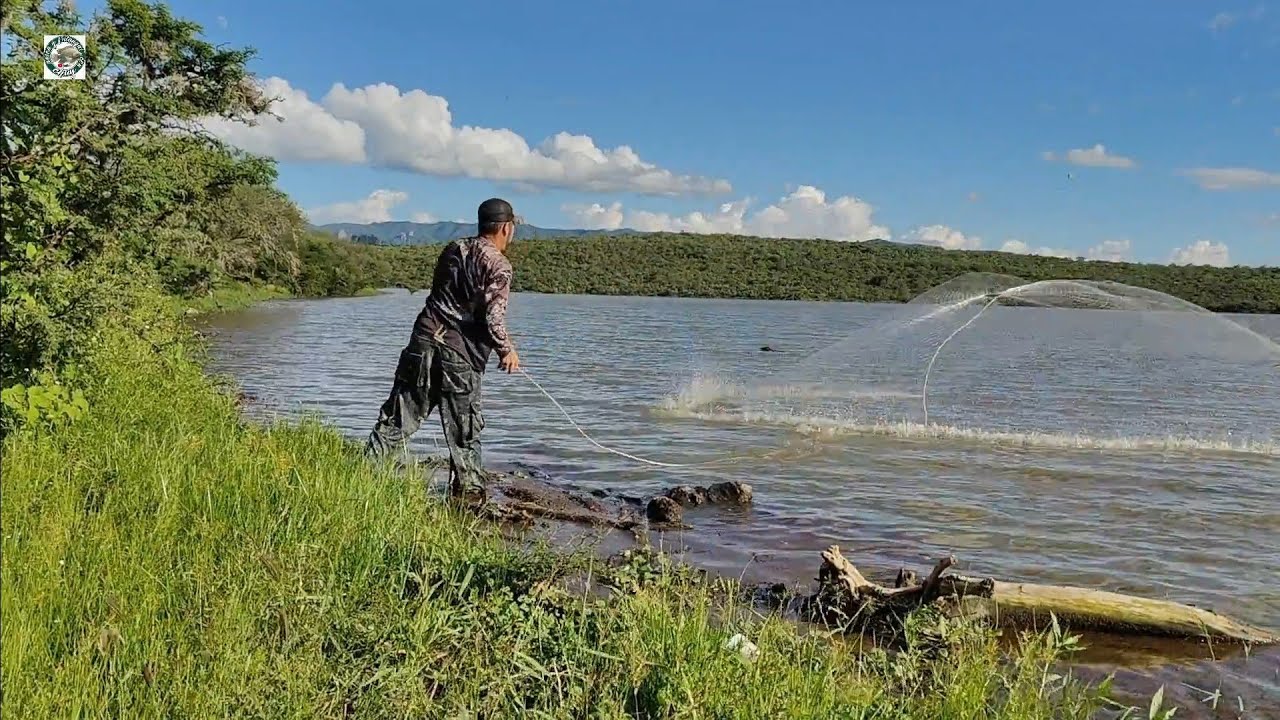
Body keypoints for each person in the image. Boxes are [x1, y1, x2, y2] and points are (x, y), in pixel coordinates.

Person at [364, 198, 522, 502]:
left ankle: (361, 479)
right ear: (506, 228)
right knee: (465, 435)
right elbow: (493, 317)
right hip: (459, 355)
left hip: (422, 341)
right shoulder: (499, 265)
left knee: (396, 421)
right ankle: (470, 502)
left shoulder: (453, 248)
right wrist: (507, 350)